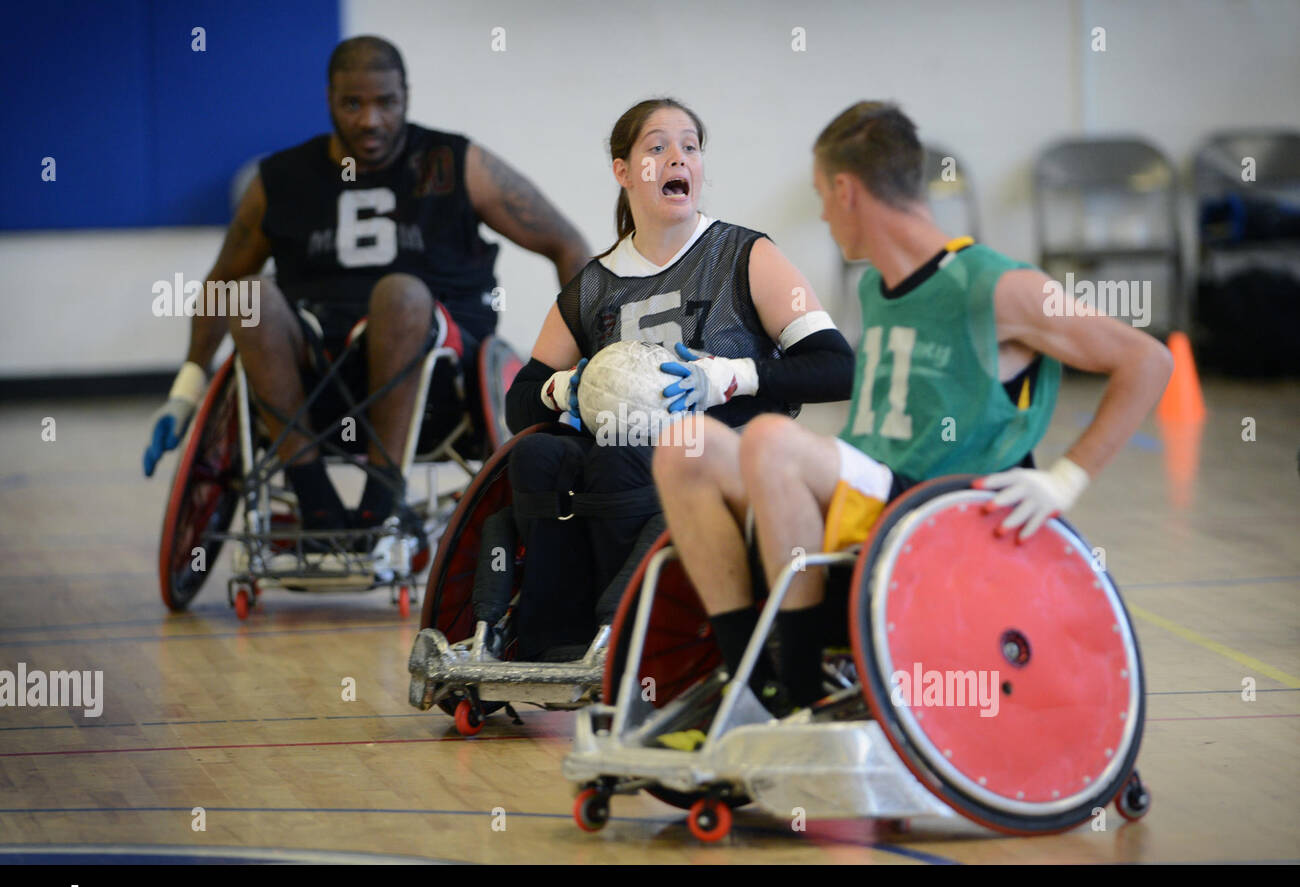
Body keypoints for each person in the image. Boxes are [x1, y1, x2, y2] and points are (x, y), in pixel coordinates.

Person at [653, 101, 1174, 710]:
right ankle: (751, 683)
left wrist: (1063, 481)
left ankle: (794, 700)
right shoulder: (876, 287)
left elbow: (1147, 361)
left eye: (822, 194)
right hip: (869, 494)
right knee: (686, 448)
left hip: (938, 514)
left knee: (771, 439)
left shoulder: (998, 286)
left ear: (846, 190)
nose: (822, 213)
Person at [142, 35, 589, 545]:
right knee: (250, 294)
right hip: (315, 380)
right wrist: (186, 392)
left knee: (399, 293)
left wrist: (575, 369)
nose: (370, 120)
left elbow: (566, 244)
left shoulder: (452, 162)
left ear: (407, 97)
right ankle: (316, 499)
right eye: (352, 104)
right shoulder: (282, 178)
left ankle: (381, 499)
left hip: (440, 380)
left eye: (385, 103)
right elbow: (221, 283)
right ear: (328, 98)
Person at [501, 97, 854, 659]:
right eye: (658, 147)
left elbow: (838, 369)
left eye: (690, 147)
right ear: (623, 172)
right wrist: (566, 388)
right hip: (619, 453)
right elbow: (520, 404)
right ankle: (549, 638)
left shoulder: (746, 254)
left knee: (621, 461)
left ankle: (623, 633)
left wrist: (729, 378)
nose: (679, 159)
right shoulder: (593, 286)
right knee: (537, 458)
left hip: (717, 456)